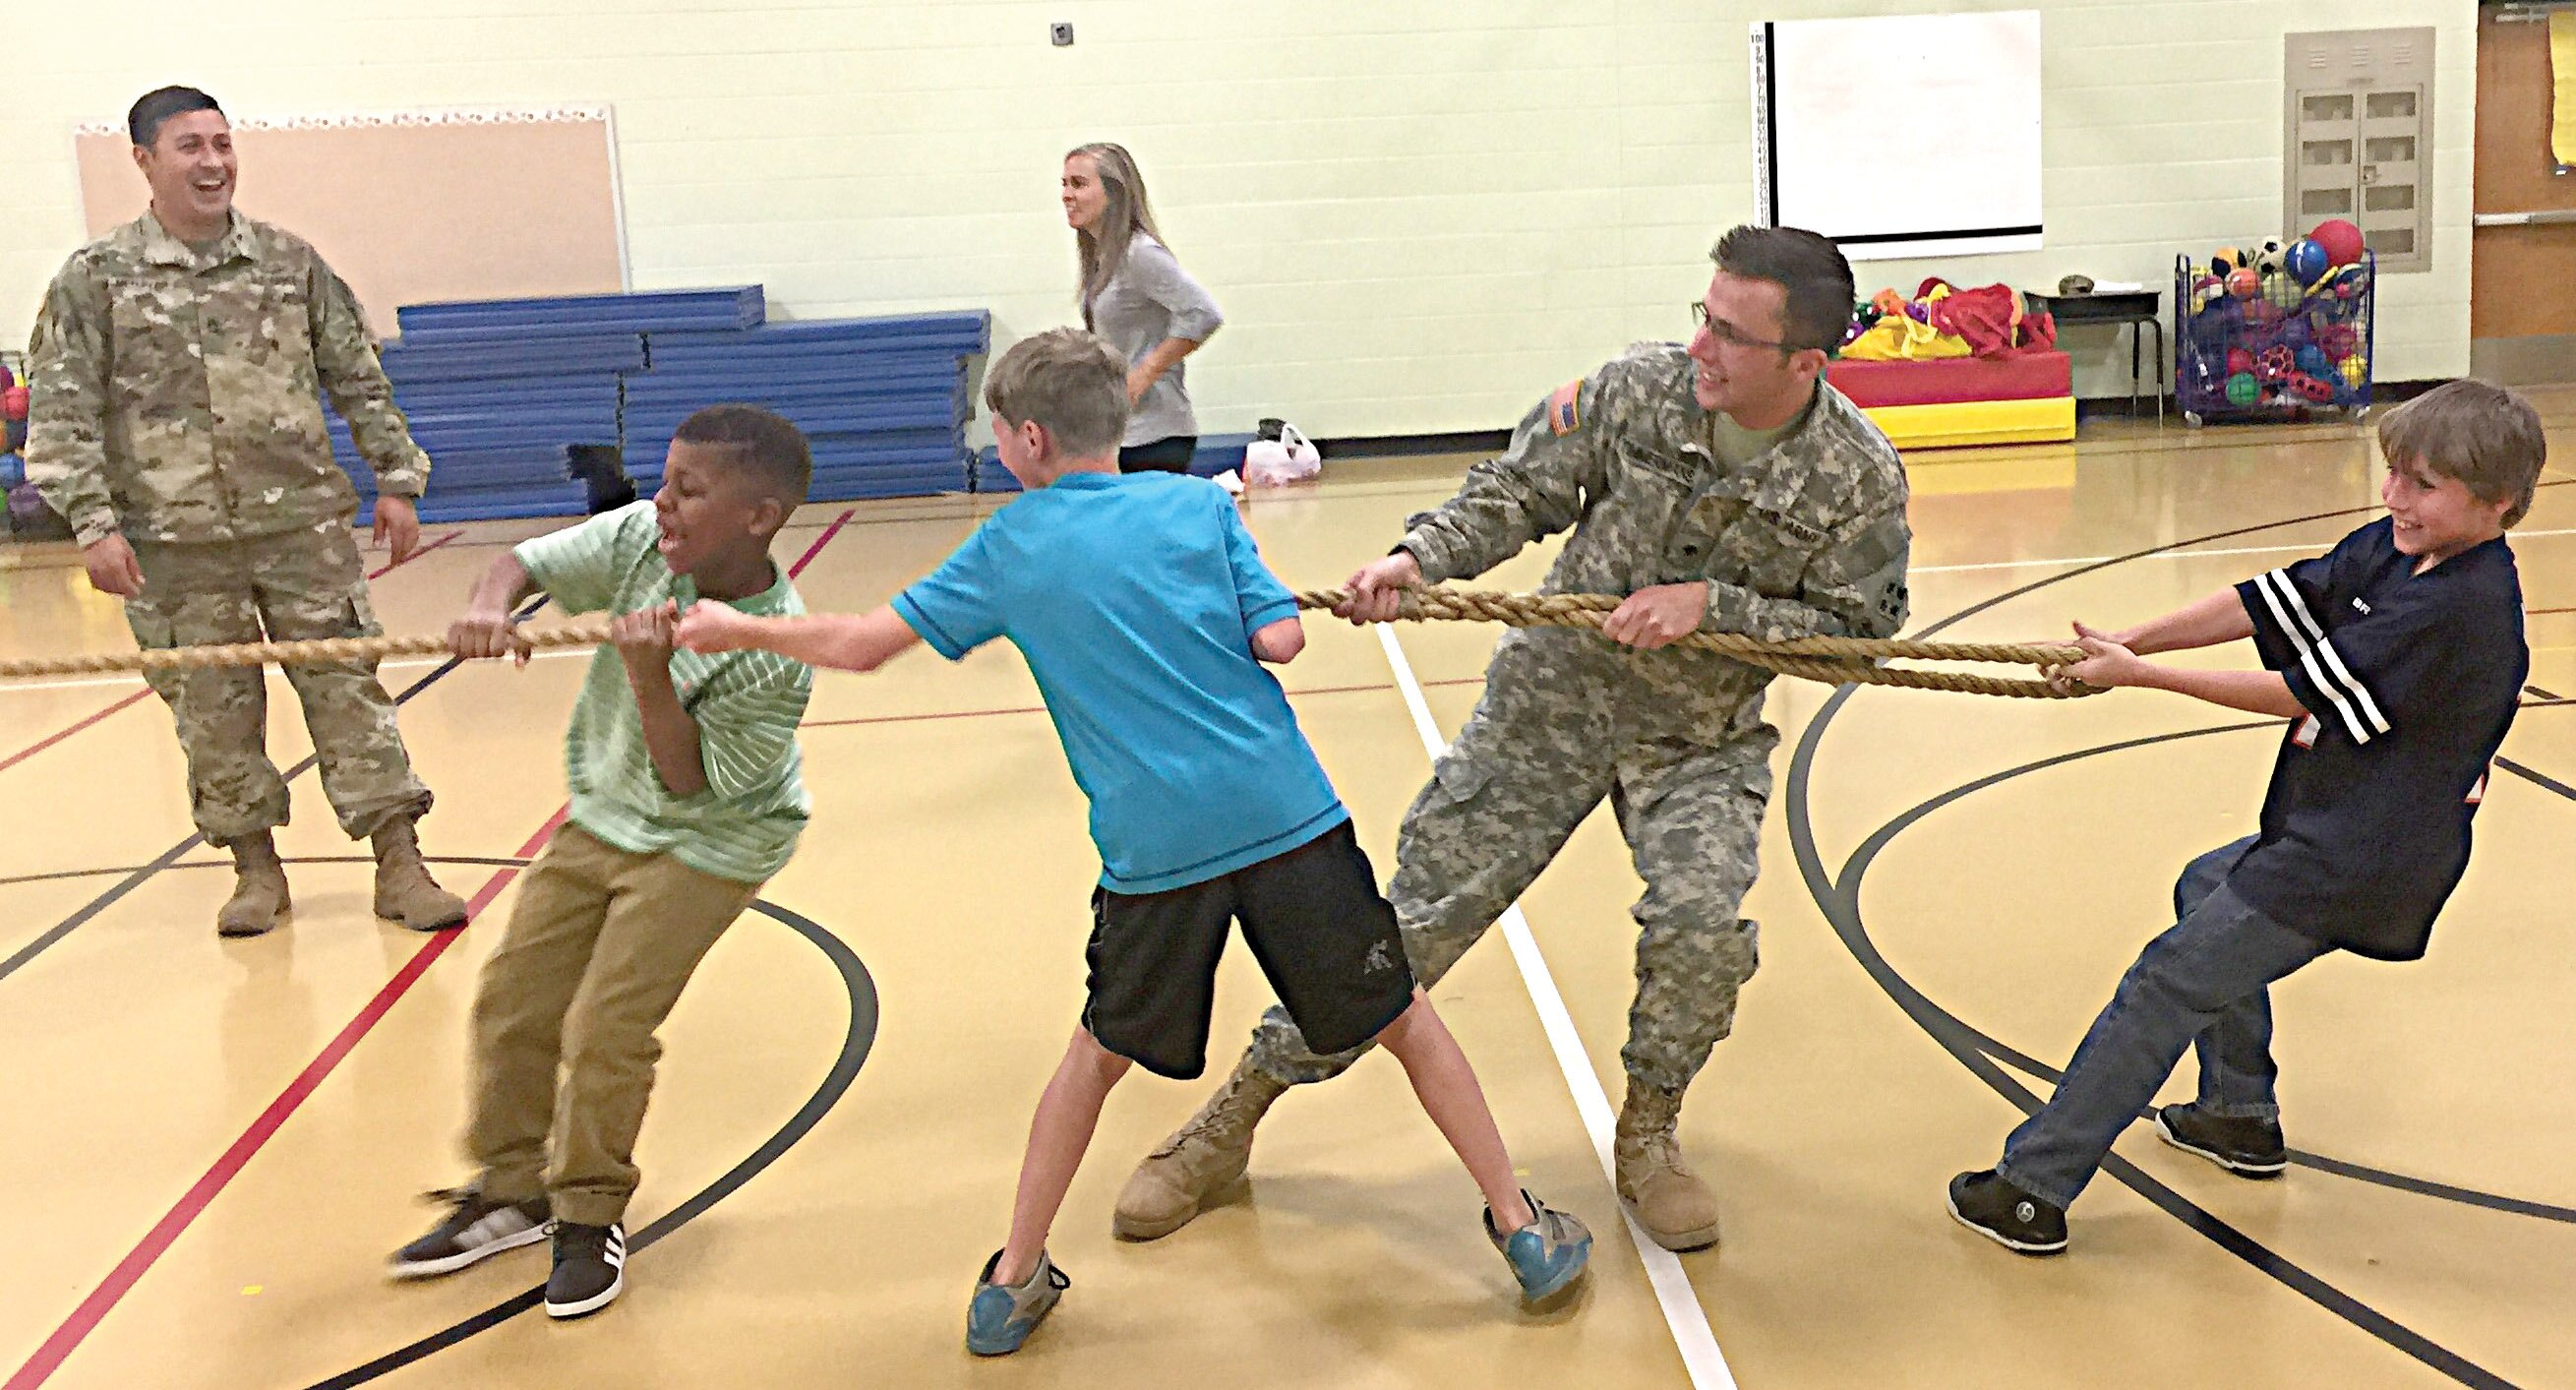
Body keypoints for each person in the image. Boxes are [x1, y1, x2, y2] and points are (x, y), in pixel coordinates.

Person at [674, 329, 1591, 1357]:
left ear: (1028, 438)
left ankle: (1013, 1277)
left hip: (1155, 856)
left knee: (1096, 1055)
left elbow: (860, 647)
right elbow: (1281, 639)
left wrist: (735, 626)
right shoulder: (1200, 504)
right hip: (1286, 819)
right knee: (1406, 1021)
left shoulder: (1006, 548)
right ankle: (1520, 1226)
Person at [1115, 225, 1914, 1254]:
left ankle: (1650, 1133)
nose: (1702, 348)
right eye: (1703, 317)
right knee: (1405, 931)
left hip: (1696, 738)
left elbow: (1859, 639)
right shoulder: (1637, 392)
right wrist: (1422, 556)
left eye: (1731, 334)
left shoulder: (1857, 476)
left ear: (1806, 361)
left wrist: (1715, 606)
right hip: (1552, 706)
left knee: (1701, 929)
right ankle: (1232, 1119)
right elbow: (1518, 489)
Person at [1947, 380, 2539, 1254]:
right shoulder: (2395, 550)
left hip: (2362, 854)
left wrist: (2137, 677)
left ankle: (2032, 1187)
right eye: (2394, 475)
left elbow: (2296, 692)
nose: (2392, 498)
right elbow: (2267, 602)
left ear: (2498, 504)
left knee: (2166, 982)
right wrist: (2129, 641)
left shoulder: (2460, 608)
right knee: (2204, 883)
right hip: (2326, 821)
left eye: (2422, 485)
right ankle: (2235, 1114)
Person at [391, 405, 815, 1319]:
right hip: (606, 815)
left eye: (689, 490)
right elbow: (522, 564)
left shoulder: (774, 646)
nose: (661, 500)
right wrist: (484, 606)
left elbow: (691, 784)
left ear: (759, 516)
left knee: (605, 1026)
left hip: (714, 837)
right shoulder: (638, 538)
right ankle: (514, 1189)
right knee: (513, 999)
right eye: (664, 478)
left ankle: (588, 1207)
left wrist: (649, 674)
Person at [22, 85, 466, 937]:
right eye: (190, 146)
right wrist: (92, 521)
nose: (213, 162)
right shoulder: (95, 280)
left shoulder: (288, 262)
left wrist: (398, 478)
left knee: (348, 690)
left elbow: (357, 375)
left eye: (223, 144)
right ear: (145, 160)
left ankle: (400, 863)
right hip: (171, 543)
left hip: (300, 526)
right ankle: (255, 869)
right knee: (212, 709)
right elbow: (63, 408)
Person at [1061, 142, 1223, 474]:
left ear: (1113, 192)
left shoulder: (1140, 254)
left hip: (1156, 433)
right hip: (1122, 431)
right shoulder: (1102, 258)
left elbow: (1203, 312)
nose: (1066, 194)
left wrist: (1144, 374)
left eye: (1078, 183)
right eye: (1064, 184)